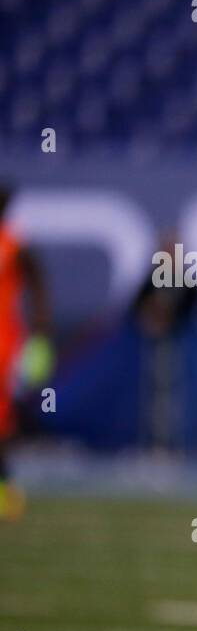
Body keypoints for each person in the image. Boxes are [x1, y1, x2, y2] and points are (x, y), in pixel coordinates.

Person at [0, 182, 52, 519]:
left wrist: (41, 335)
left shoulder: (13, 243)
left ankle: (8, 488)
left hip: (5, 341)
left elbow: (38, 284)